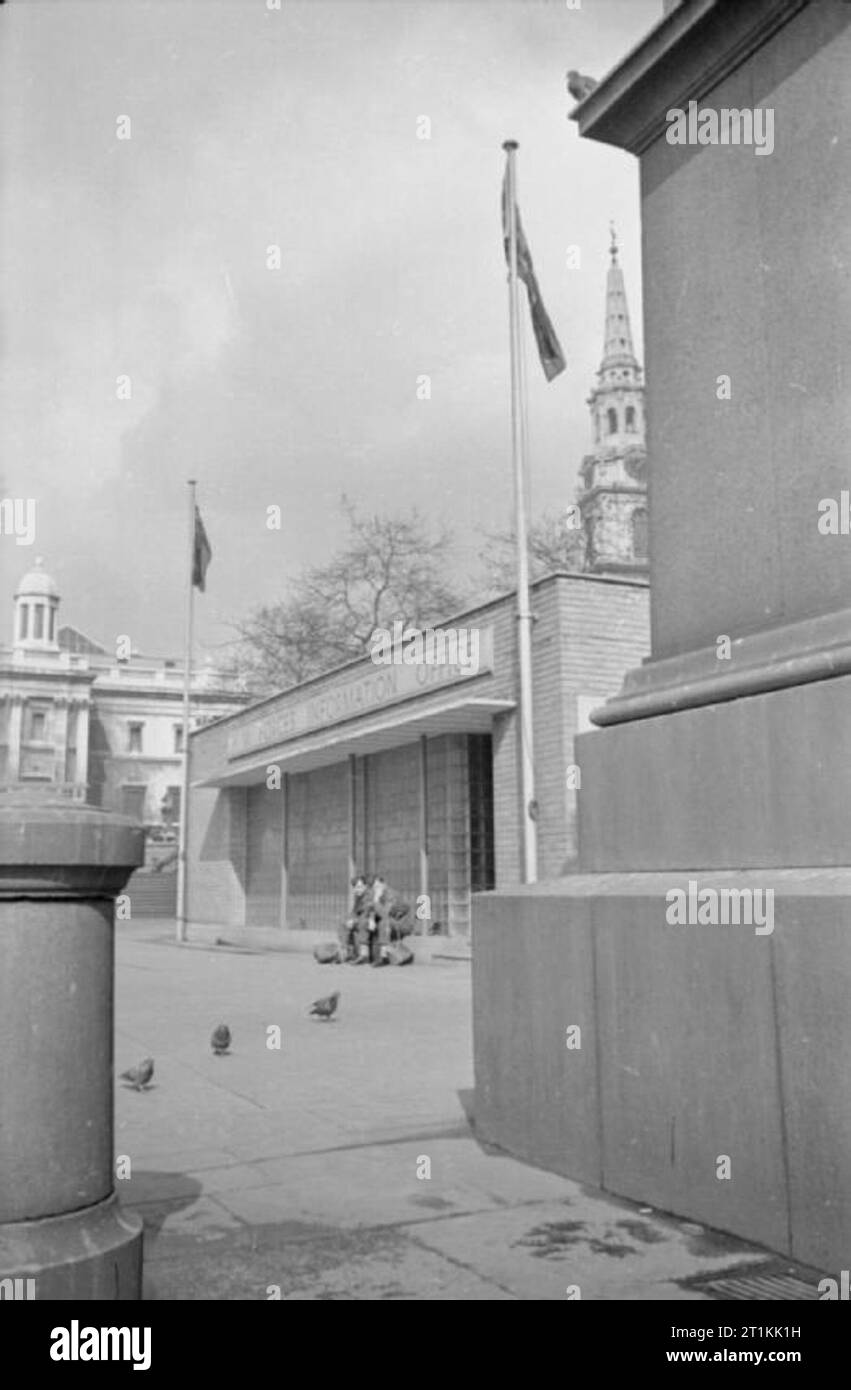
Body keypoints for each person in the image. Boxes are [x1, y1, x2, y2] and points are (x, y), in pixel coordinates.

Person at [369, 872, 414, 966]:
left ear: (383, 884)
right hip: (393, 922)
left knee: (383, 923)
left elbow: (385, 914)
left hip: (403, 924)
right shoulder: (379, 895)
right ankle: (367, 954)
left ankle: (383, 956)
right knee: (371, 923)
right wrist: (371, 919)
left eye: (378, 886)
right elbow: (372, 910)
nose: (376, 889)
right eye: (374, 887)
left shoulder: (391, 895)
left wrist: (376, 901)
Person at [338, 872, 370, 962]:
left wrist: (354, 921)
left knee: (362, 922)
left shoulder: (368, 897)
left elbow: (367, 913)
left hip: (371, 921)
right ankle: (346, 952)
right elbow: (354, 912)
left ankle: (364, 954)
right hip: (360, 920)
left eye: (359, 887)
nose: (357, 889)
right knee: (343, 923)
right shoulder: (358, 897)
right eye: (355, 887)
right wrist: (349, 920)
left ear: (365, 886)